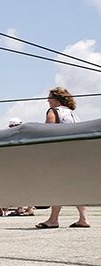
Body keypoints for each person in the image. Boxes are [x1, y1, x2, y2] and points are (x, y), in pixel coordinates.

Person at [36, 87, 90, 229]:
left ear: (56, 99)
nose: (48, 100)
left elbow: (48, 133)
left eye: (49, 97)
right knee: (75, 187)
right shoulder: (73, 114)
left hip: (60, 155)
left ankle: (53, 220)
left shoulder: (53, 112)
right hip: (76, 155)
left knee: (57, 186)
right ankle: (83, 218)